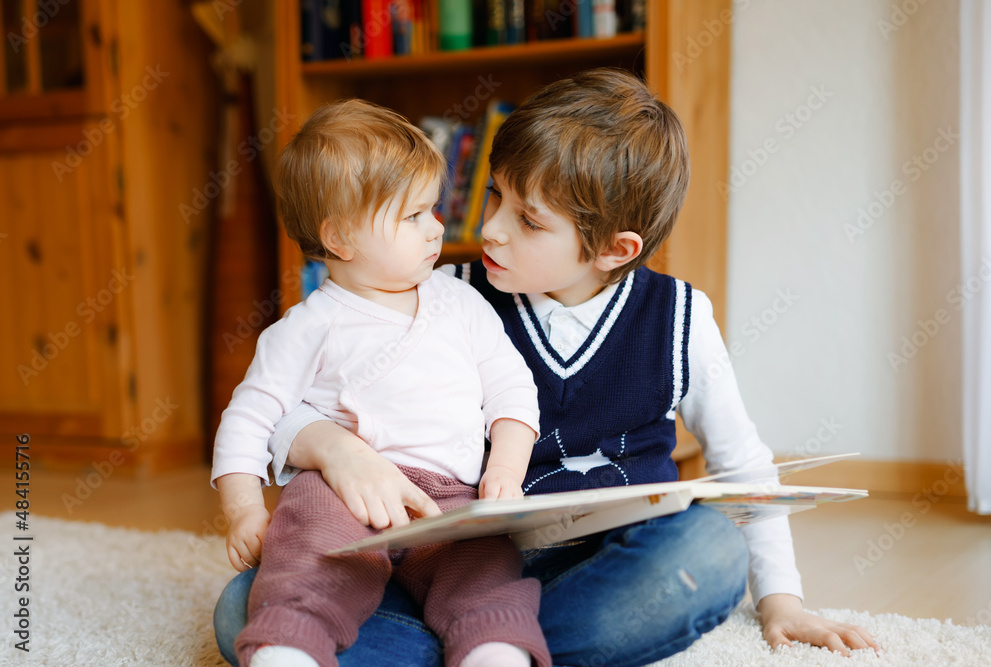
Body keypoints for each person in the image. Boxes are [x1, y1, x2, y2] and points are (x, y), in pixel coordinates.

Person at [214, 68, 880, 666]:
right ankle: (483, 642)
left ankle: (482, 641)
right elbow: (284, 400)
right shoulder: (442, 292)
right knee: (243, 605)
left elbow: (743, 464)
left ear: (614, 249)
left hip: (596, 572)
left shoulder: (678, 318)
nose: (490, 228)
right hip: (454, 557)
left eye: (528, 220)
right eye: (494, 195)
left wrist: (782, 601)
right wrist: (333, 448)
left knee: (710, 549)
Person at [211, 99, 552, 667]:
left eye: (433, 209)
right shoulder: (306, 327)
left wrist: (506, 472)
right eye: (413, 216)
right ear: (341, 238)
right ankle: (289, 644)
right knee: (308, 554)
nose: (436, 227)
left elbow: (512, 392)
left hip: (451, 499)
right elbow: (250, 417)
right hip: (341, 493)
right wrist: (244, 508)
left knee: (486, 569)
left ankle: (492, 648)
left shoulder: (461, 303)